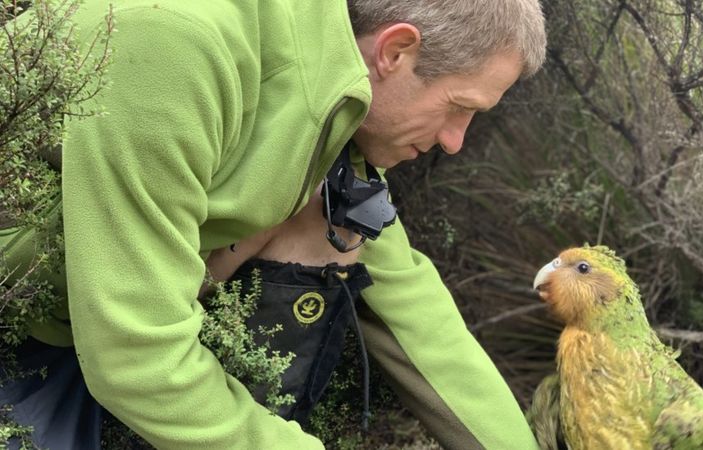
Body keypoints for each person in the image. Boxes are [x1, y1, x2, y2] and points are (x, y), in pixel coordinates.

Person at [0, 0, 547, 448]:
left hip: (83, 327)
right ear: (396, 50)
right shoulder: (181, 43)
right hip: (24, 326)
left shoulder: (332, 90)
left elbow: (416, 312)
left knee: (331, 219)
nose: (455, 141)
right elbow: (134, 354)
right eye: (459, 106)